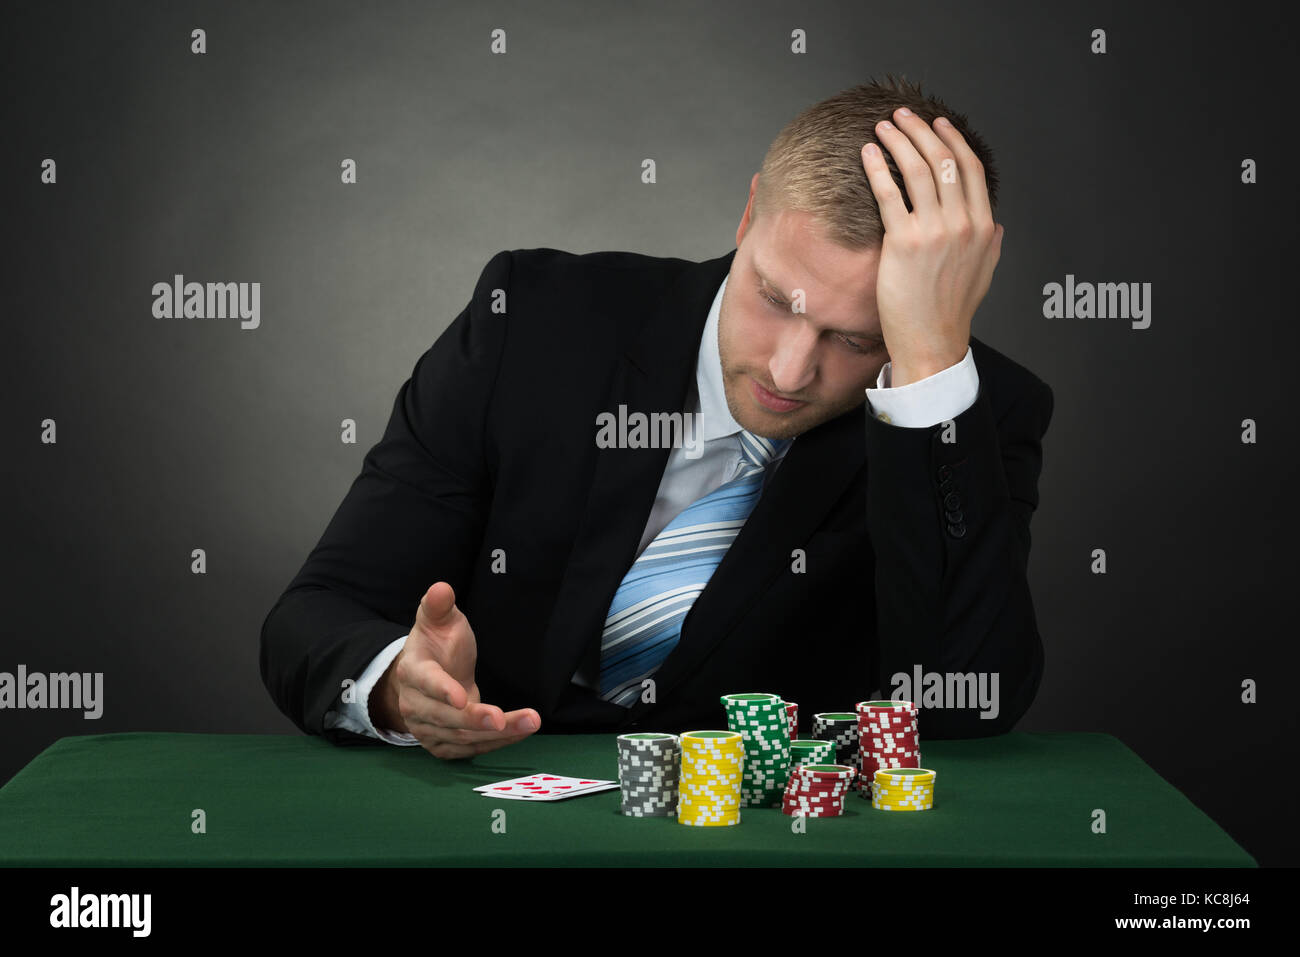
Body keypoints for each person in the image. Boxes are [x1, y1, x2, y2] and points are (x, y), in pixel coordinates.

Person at [260, 76, 1054, 760]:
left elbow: (964, 706)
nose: (789, 371)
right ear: (747, 217)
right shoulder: (530, 321)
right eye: (775, 300)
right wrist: (399, 686)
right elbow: (313, 613)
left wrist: (926, 369)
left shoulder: (970, 410)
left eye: (857, 338)